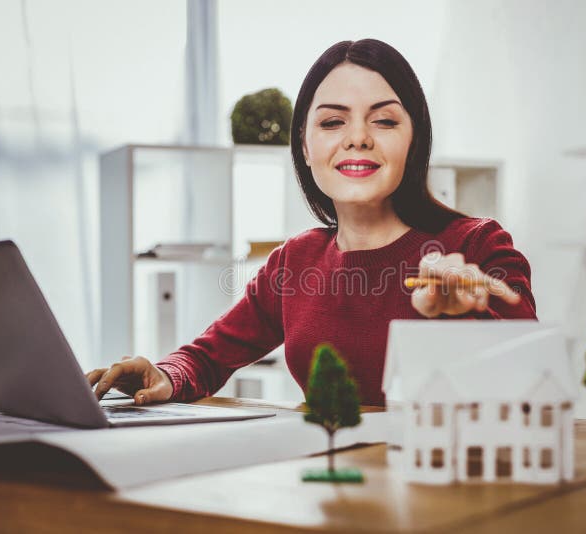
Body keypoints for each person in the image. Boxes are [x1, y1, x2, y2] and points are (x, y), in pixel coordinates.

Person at [87, 39, 537, 407]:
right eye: (332, 121)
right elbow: (206, 358)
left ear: (414, 140)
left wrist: (468, 316)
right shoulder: (295, 261)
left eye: (383, 120)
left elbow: (530, 378)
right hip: (328, 495)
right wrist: (164, 374)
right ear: (305, 146)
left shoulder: (477, 246)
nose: (357, 137)